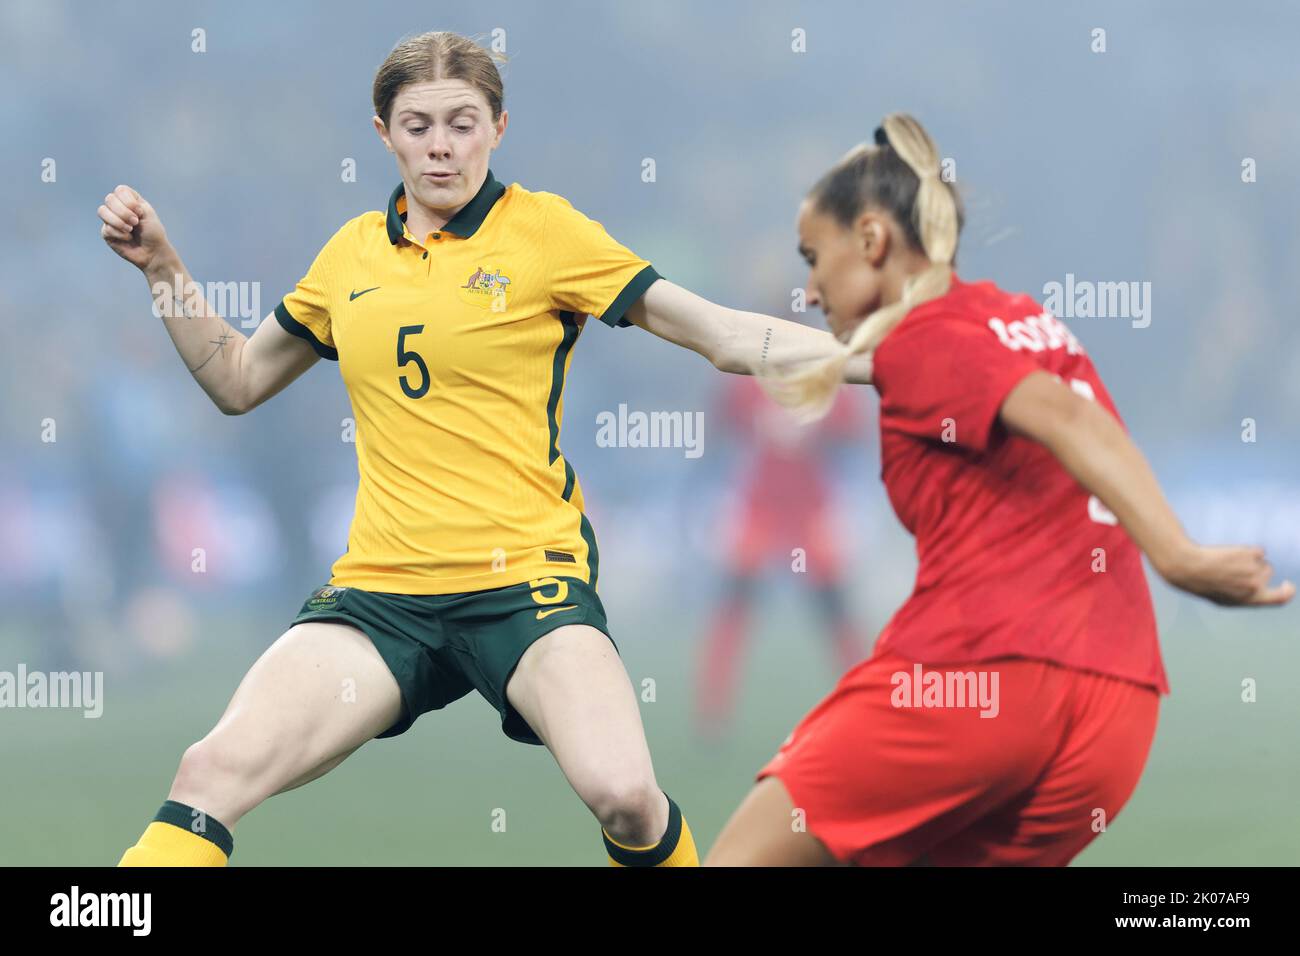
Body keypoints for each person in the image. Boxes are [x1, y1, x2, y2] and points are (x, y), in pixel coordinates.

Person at [100, 30, 870, 867]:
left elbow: (722, 335)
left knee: (627, 797)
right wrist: (164, 270)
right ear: (383, 133)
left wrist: (885, 357)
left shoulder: (545, 233)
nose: (440, 146)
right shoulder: (350, 255)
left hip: (527, 589)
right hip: (382, 596)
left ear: (498, 127)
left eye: (462, 123)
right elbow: (240, 379)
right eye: (419, 124)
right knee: (209, 770)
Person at [706, 113, 1294, 866]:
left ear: (874, 242)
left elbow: (1064, 417)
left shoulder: (925, 338)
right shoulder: (1022, 322)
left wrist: (1181, 557)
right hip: (1114, 715)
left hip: (979, 681)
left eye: (813, 258)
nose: (811, 290)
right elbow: (1073, 420)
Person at [695, 375, 867, 737]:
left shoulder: (824, 375)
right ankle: (712, 714)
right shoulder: (748, 378)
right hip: (760, 507)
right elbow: (718, 425)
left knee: (836, 612)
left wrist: (816, 429)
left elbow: (854, 431)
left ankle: (866, 703)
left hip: (811, 509)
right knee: (734, 606)